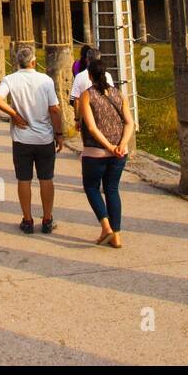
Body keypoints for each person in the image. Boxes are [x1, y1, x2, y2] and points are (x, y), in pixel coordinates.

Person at [0, 46, 63, 234]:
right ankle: (47, 219)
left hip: (22, 139)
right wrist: (59, 134)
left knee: (24, 179)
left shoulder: (10, 79)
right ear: (33, 61)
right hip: (44, 138)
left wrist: (14, 114)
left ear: (17, 62)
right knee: (46, 178)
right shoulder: (45, 80)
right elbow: (55, 110)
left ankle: (28, 220)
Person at [77, 57, 134, 248]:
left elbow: (92, 128)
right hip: (120, 153)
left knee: (91, 188)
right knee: (112, 189)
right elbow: (129, 123)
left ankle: (106, 227)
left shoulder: (88, 95)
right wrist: (120, 145)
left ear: (90, 75)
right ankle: (116, 236)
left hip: (96, 152)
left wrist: (109, 147)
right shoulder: (118, 94)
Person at [70, 48, 113, 128]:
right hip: (105, 114)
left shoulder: (79, 77)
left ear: (87, 59)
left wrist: (77, 119)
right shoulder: (108, 75)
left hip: (86, 116)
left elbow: (76, 101)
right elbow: (111, 95)